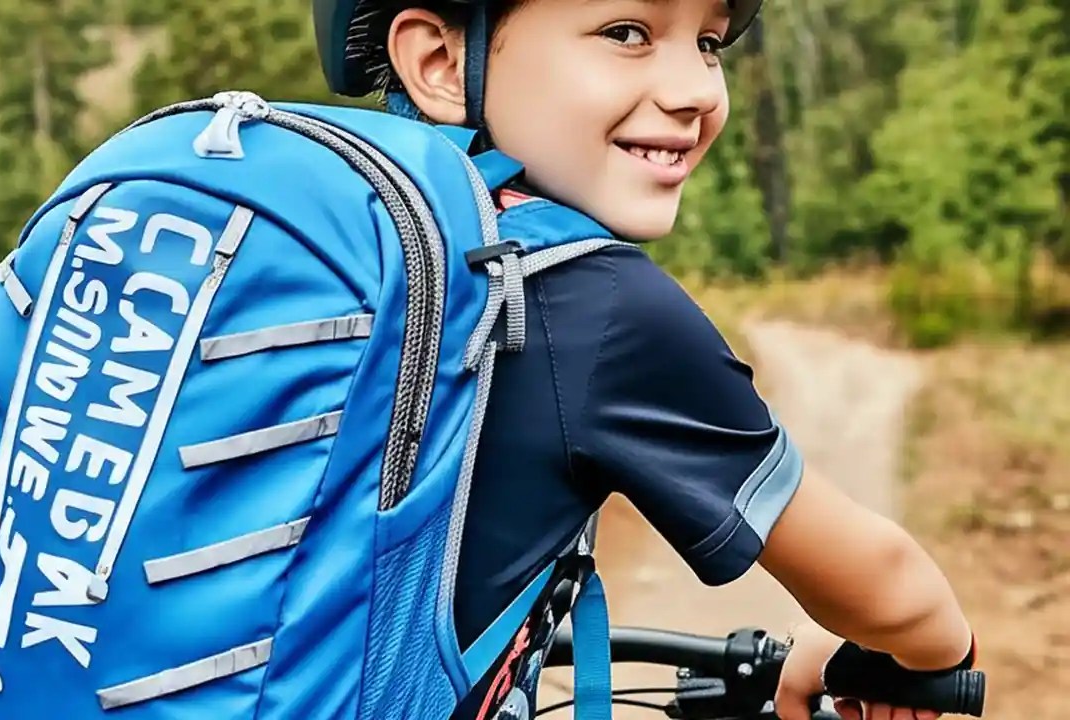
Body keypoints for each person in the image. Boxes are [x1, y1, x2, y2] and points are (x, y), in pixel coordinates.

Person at [313, 1, 979, 718]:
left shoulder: (325, 253)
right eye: (627, 33)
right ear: (441, 63)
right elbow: (893, 591)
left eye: (708, 43)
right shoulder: (597, 305)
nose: (696, 89)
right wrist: (928, 654)